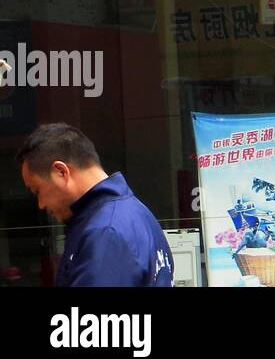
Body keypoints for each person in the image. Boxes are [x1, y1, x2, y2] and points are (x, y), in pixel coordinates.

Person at [16, 123, 173, 287]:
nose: (40, 204)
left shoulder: (105, 231)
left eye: (37, 191)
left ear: (61, 172)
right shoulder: (138, 213)